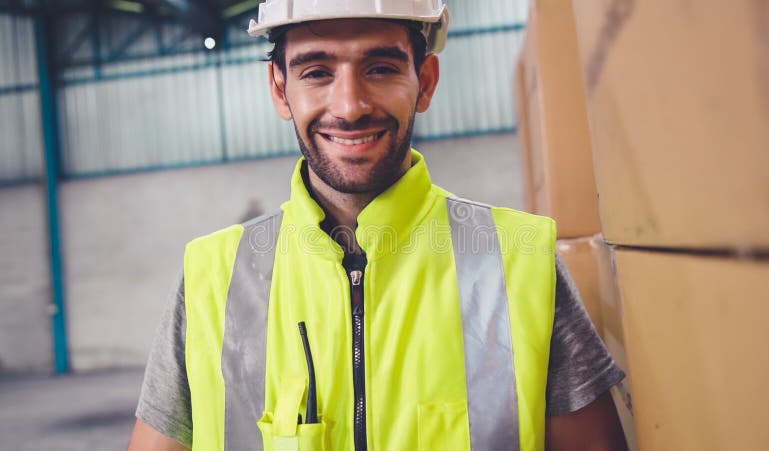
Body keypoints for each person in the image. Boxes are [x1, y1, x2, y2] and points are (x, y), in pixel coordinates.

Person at [128, 1, 627, 450]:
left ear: (425, 82)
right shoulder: (211, 277)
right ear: (279, 89)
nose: (349, 107)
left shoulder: (519, 260)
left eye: (381, 68)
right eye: (317, 72)